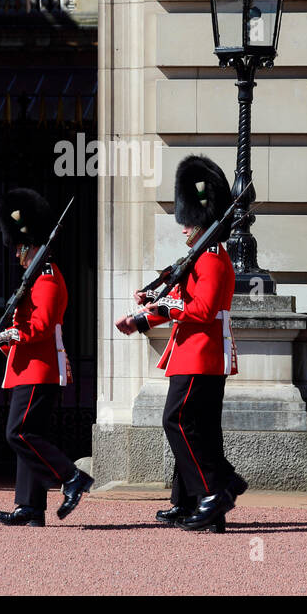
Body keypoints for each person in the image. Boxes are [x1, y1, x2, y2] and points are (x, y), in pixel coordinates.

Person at [115, 155, 246, 533]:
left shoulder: (214, 258)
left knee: (178, 420)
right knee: (195, 427)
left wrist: (159, 307)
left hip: (202, 353)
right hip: (191, 352)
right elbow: (176, 301)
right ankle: (208, 495)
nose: (183, 226)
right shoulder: (196, 258)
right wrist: (141, 317)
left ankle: (212, 493)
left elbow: (200, 309)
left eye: (188, 219)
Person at [0, 188, 93, 526]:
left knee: (18, 433)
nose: (17, 254)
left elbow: (40, 327)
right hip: (27, 368)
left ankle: (71, 477)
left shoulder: (46, 277)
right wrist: (0, 349)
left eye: (20, 248)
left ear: (30, 246)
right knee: (28, 435)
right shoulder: (32, 280)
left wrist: (3, 337)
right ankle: (29, 507)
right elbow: (22, 324)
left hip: (41, 368)